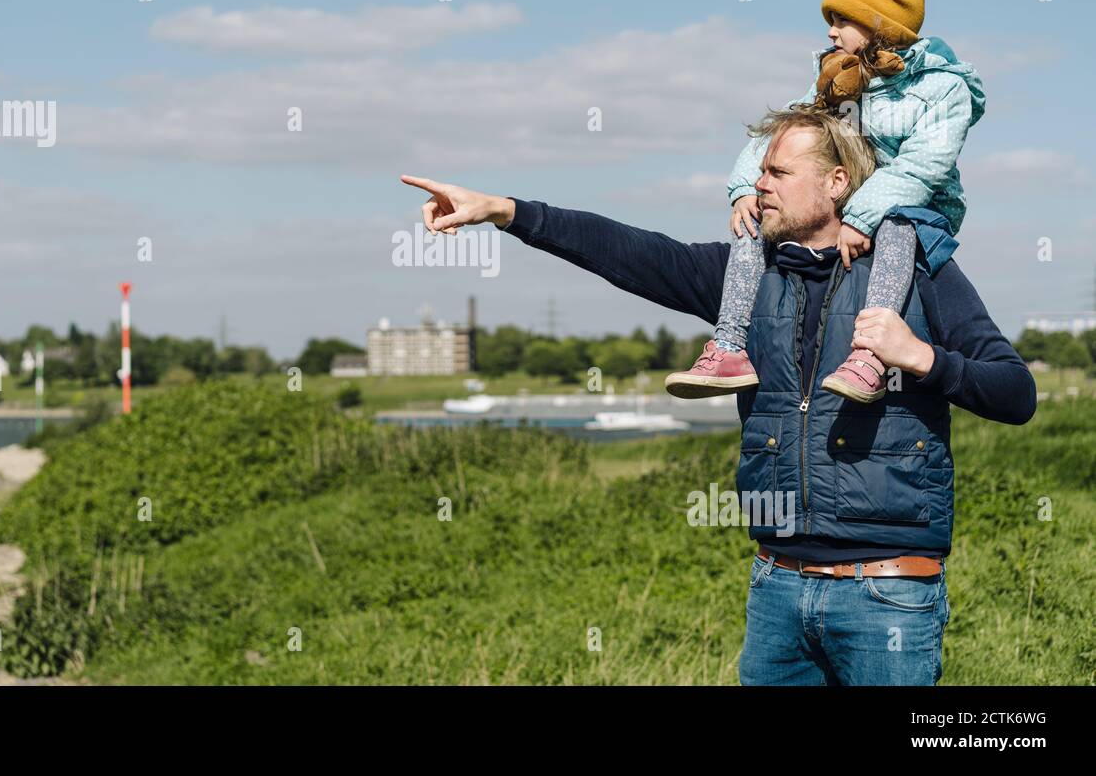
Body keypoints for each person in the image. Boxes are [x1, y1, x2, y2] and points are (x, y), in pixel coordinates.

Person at [399, 104, 1034, 685]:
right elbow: (626, 249)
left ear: (838, 183)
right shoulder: (742, 277)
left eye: (780, 172)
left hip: (887, 594)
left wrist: (921, 357)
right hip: (776, 588)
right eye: (761, 171)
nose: (761, 185)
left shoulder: (920, 271)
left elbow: (1015, 392)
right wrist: (503, 211)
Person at [667, 0, 985, 405]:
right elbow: (780, 133)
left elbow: (921, 168)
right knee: (754, 216)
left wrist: (863, 213)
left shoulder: (944, 89)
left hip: (913, 204)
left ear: (879, 25)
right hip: (855, 197)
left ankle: (872, 356)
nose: (831, 33)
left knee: (896, 227)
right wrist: (743, 187)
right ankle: (729, 346)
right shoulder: (841, 77)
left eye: (841, 21)